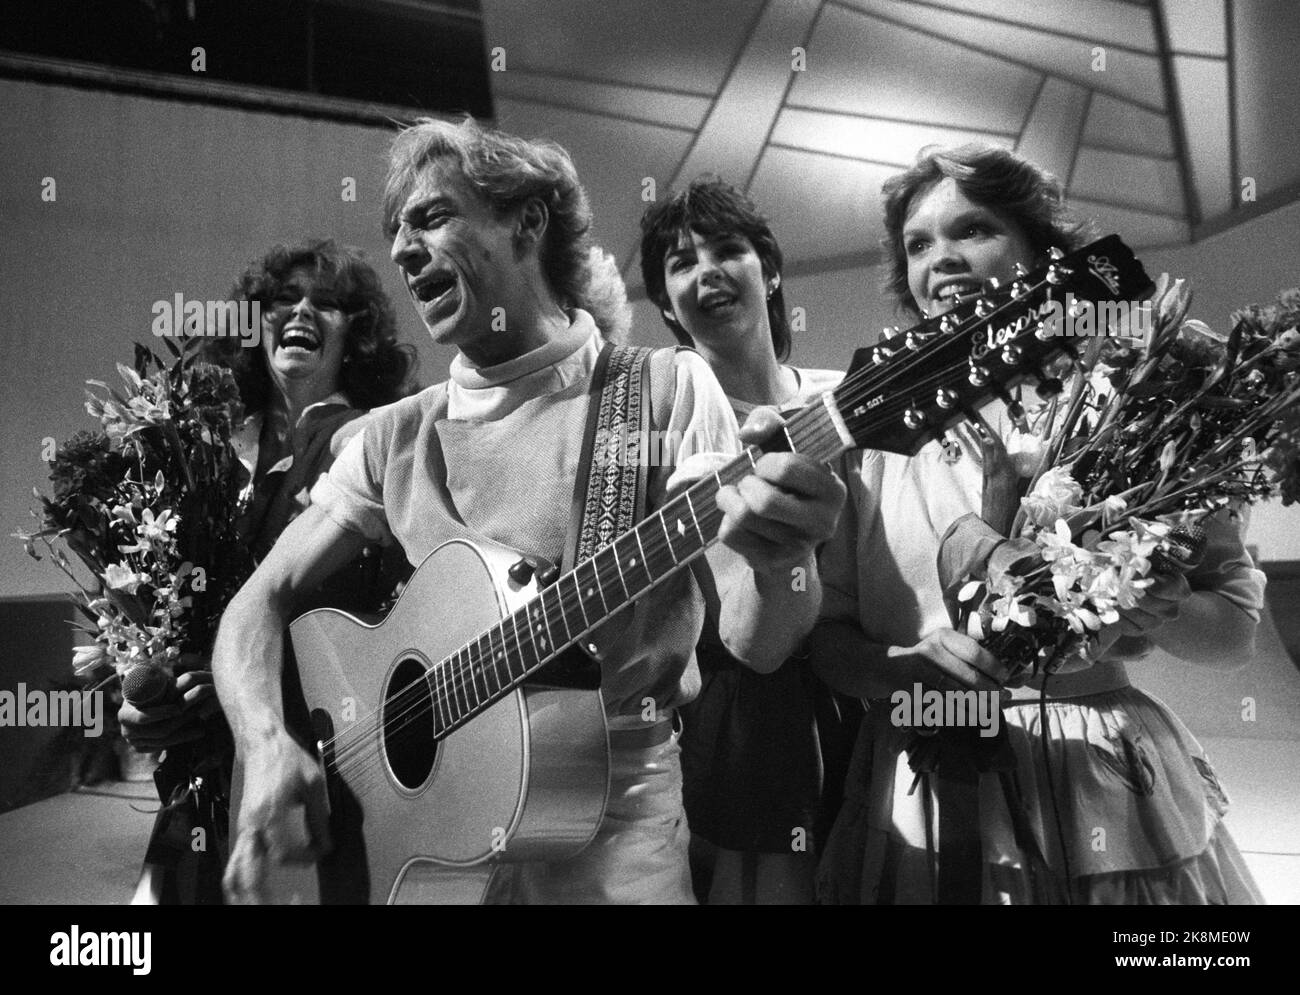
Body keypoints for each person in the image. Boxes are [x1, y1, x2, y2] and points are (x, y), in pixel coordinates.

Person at [213, 117, 846, 905]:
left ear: (527, 221)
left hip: (615, 827)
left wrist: (785, 562)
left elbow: (755, 644)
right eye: (396, 232)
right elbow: (255, 604)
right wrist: (266, 740)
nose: (404, 251)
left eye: (432, 217)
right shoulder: (394, 435)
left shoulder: (662, 388)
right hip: (424, 846)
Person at [813, 144, 1265, 904]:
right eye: (918, 244)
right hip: (920, 776)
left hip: (1104, 783)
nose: (941, 259)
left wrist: (1158, 607)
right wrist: (900, 674)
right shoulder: (871, 437)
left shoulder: (1135, 401)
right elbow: (828, 642)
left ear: (1038, 253)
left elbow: (1237, 631)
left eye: (973, 230)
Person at [119, 239, 416, 903]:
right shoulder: (208, 460)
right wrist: (153, 699)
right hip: (203, 782)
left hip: (315, 775)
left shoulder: (363, 441)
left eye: (328, 302)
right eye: (286, 299)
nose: (303, 309)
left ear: (356, 333)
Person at [639, 176, 862, 903]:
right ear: (668, 306)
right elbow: (750, 640)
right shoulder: (669, 427)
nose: (705, 270)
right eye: (679, 262)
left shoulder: (842, 399)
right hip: (739, 730)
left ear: (769, 270)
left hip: (860, 699)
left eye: (725, 248)